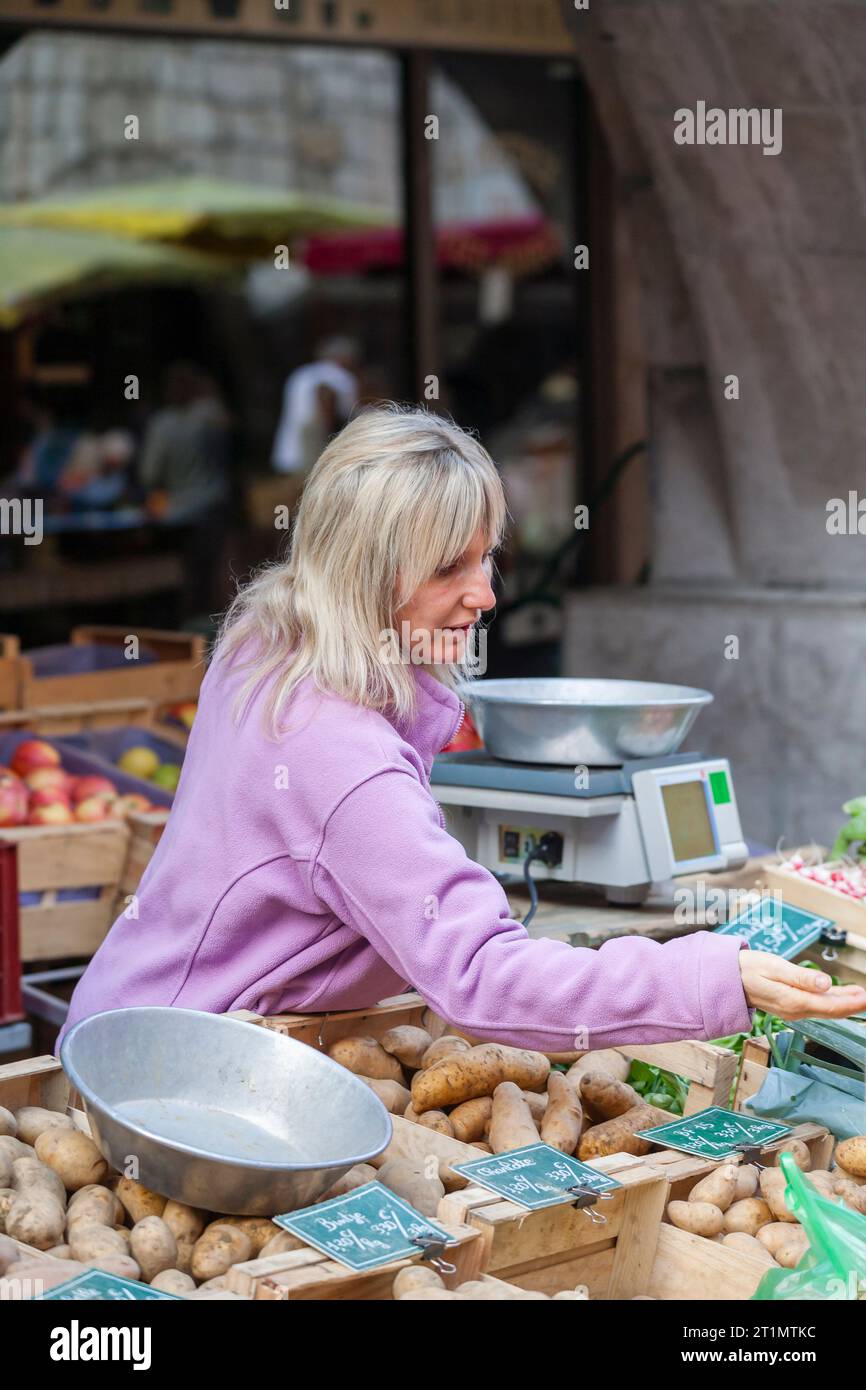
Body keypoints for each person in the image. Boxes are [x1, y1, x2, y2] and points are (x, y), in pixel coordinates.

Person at [56, 406, 866, 1053]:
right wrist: (710, 975)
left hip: (127, 1021)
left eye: (485, 557)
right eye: (449, 568)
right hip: (167, 1067)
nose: (484, 594)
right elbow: (481, 977)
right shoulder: (341, 760)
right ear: (361, 574)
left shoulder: (266, 639)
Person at [271, 336, 359, 476]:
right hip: (318, 445)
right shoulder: (341, 378)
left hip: (290, 450)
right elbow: (349, 414)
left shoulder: (301, 374)